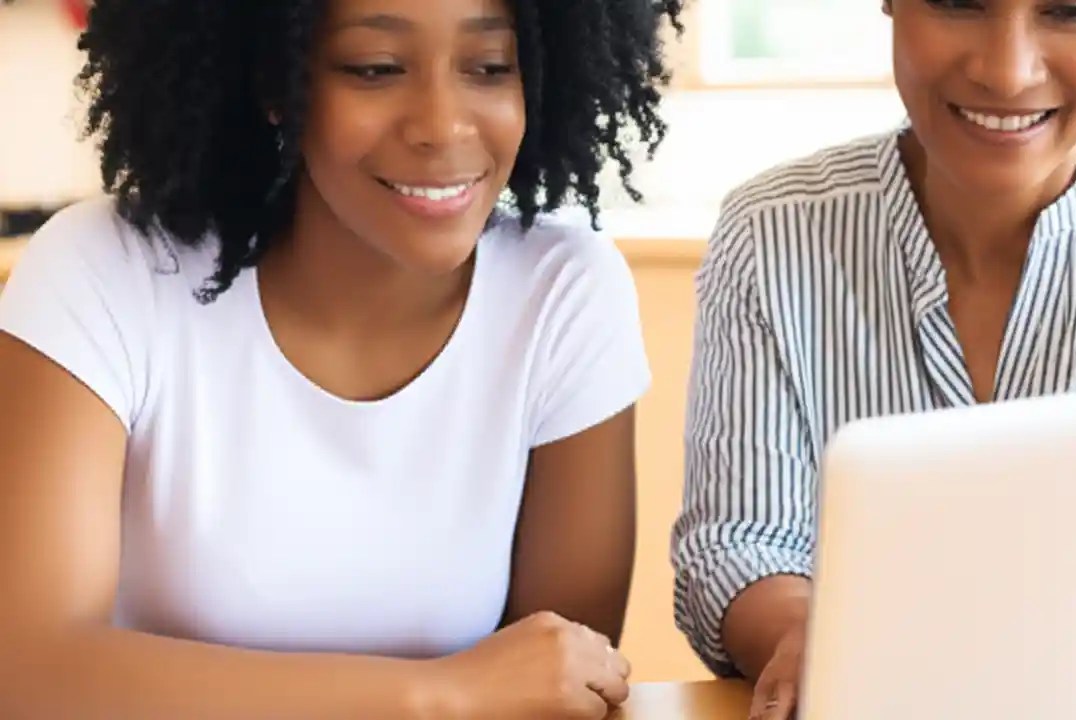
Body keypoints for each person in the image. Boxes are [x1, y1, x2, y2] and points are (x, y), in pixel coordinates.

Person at [0, 0, 684, 718]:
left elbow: (562, 686)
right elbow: (26, 669)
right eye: (376, 69)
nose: (442, 126)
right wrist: (440, 696)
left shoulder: (564, 295)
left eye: (489, 68)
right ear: (274, 82)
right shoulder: (103, 272)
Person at [672, 0, 1076, 717]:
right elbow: (738, 542)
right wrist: (808, 637)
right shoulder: (771, 235)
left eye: (1072, 11)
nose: (1008, 70)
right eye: (960, 3)